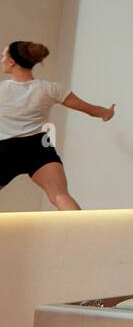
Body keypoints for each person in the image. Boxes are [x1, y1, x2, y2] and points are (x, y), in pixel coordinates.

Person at [1, 40, 116, 210]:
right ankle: (86, 235)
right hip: (38, 148)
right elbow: (90, 109)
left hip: (5, 150)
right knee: (60, 195)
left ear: (12, 62)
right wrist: (107, 113)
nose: (1, 59)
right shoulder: (51, 89)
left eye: (4, 55)